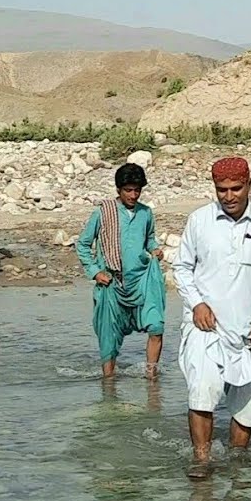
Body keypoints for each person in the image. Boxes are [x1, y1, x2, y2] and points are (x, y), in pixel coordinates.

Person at [173, 156, 251, 479]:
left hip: (250, 329)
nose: (228, 196)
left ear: (249, 184)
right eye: (221, 190)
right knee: (201, 391)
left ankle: (238, 467)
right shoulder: (200, 221)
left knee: (246, 407)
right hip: (205, 327)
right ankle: (201, 460)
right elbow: (182, 268)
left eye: (236, 188)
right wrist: (196, 304)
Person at [75, 163, 166, 380]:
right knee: (109, 335)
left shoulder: (145, 213)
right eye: (128, 190)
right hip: (112, 283)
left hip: (141, 281)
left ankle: (152, 379)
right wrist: (95, 272)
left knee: (156, 326)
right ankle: (109, 384)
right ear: (118, 189)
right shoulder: (103, 212)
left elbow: (149, 239)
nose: (133, 195)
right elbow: (83, 244)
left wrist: (154, 250)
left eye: (137, 190)